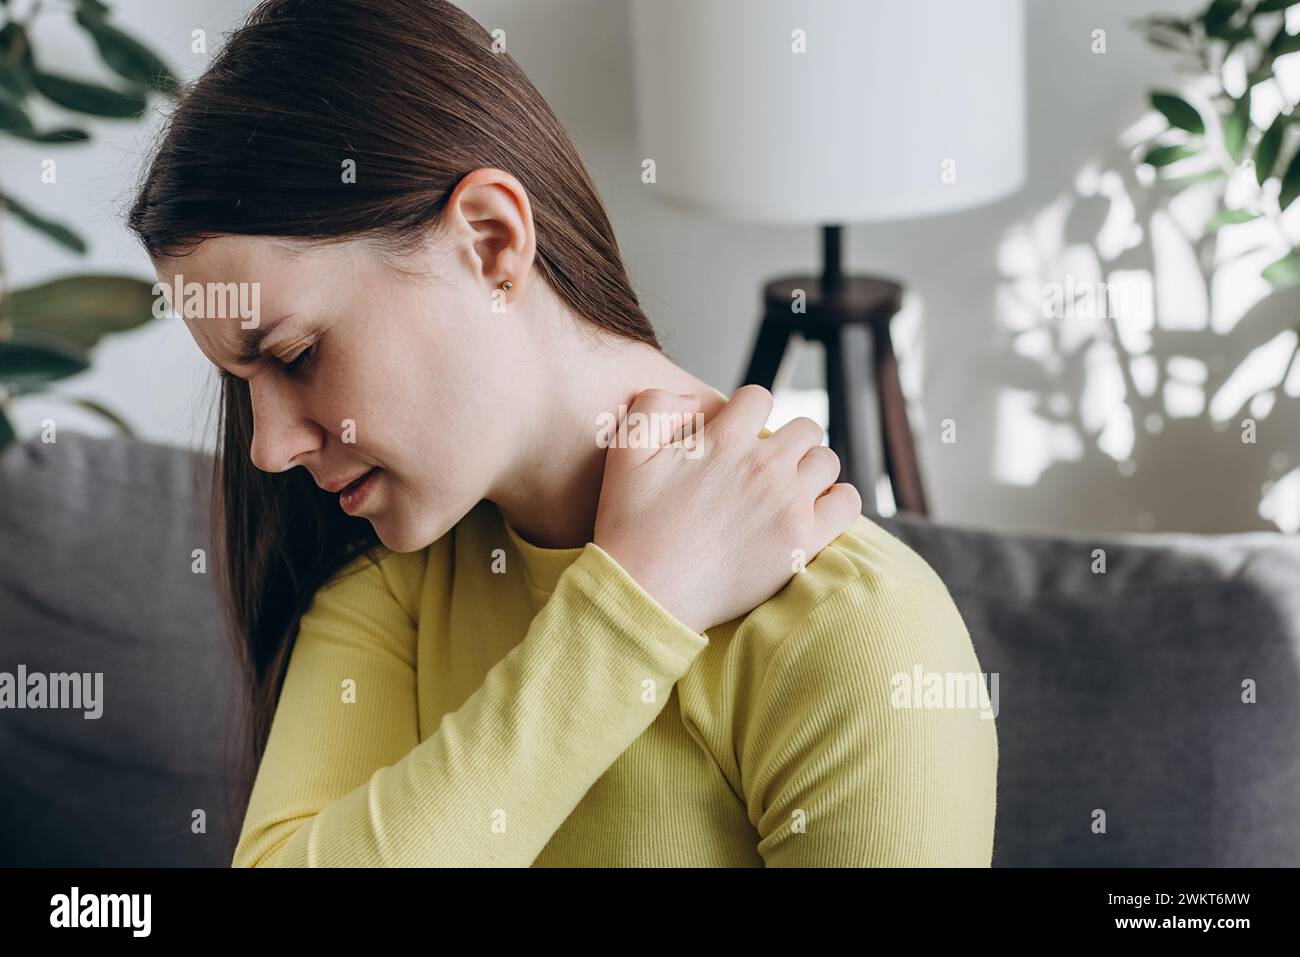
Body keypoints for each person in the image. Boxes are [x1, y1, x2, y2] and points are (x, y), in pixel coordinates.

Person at [128, 0, 997, 866]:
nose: (268, 449)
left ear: (492, 242)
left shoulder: (858, 634)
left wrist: (627, 610)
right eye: (242, 388)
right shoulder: (395, 587)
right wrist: (635, 605)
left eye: (298, 352)